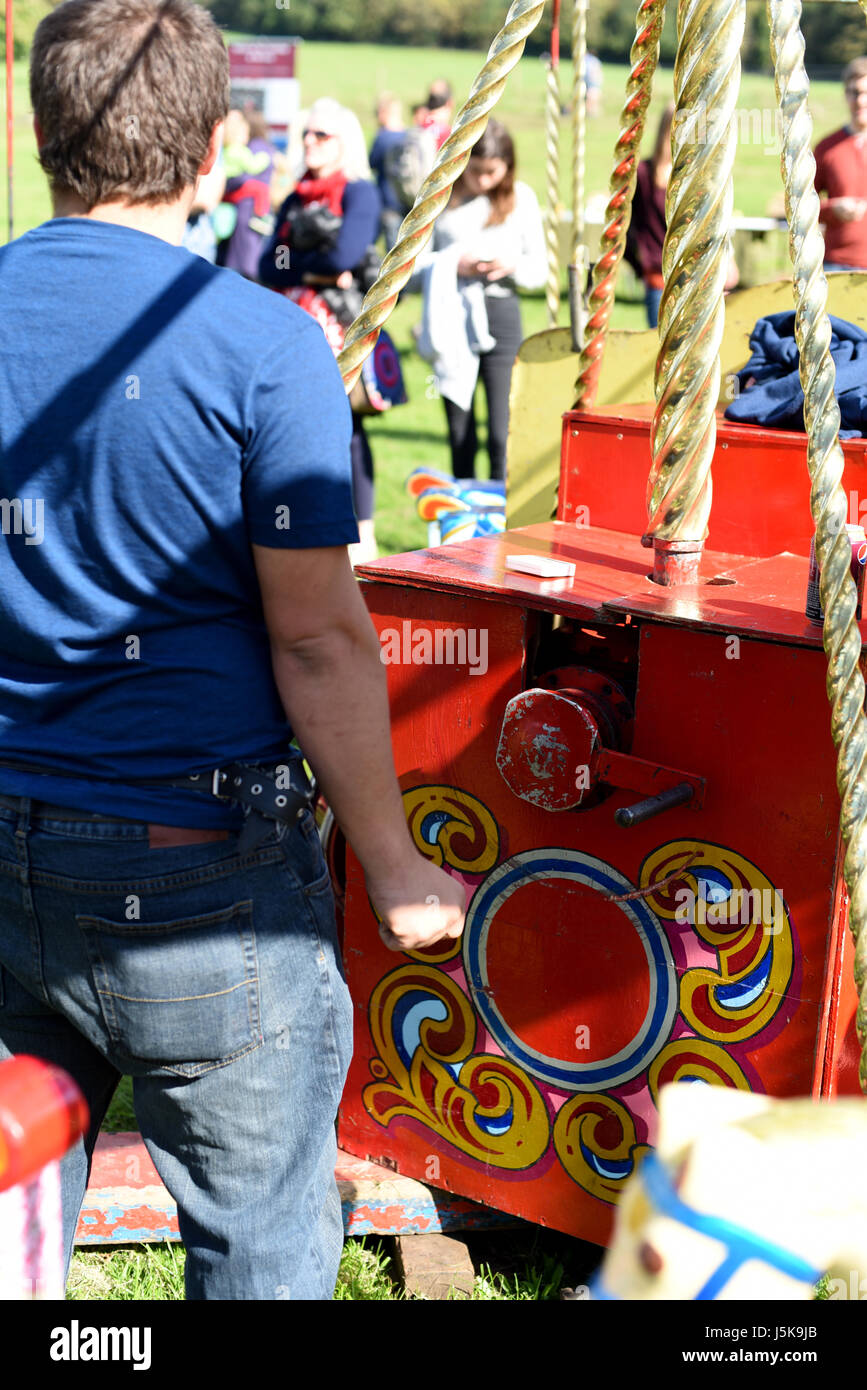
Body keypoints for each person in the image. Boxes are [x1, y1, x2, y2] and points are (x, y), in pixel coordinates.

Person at [0, 0, 464, 1301]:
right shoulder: (265, 345)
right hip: (200, 873)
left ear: (45, 135)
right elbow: (316, 638)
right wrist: (395, 865)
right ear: (215, 153)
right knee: (259, 1229)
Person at [259, 99, 383, 564]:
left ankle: (363, 533)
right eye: (306, 133)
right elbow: (266, 263)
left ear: (343, 143)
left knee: (346, 423)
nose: (309, 141)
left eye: (322, 135)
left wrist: (303, 269)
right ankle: (302, 523)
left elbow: (345, 257)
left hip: (338, 323)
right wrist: (313, 273)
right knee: (288, 424)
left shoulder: (359, 193)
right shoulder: (295, 196)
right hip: (292, 324)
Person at [416, 119, 546, 481]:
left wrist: (511, 265)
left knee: (503, 430)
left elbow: (540, 270)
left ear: (507, 166)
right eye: (476, 171)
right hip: (452, 312)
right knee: (460, 429)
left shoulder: (521, 199)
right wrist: (452, 264)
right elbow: (409, 267)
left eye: (492, 172)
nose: (484, 181)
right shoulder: (440, 197)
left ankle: (500, 514)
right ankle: (462, 511)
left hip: (501, 312)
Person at [626, 103, 738, 329]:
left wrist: (727, 260)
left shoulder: (700, 175)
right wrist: (641, 263)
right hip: (659, 277)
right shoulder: (645, 175)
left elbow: (715, 226)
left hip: (695, 278)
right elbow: (629, 227)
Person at [814, 57, 867, 273]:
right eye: (854, 92)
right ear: (846, 95)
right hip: (837, 266)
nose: (860, 101)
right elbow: (800, 208)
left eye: (866, 93)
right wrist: (833, 208)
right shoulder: (827, 148)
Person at [215, 107, 277, 279]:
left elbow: (242, 175)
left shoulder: (246, 148)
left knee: (238, 261)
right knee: (248, 260)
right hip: (253, 212)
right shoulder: (261, 149)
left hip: (245, 211)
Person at [368, 93, 406, 250]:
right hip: (408, 200)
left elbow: (371, 162)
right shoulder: (409, 135)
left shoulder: (382, 138)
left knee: (392, 251)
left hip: (388, 201)